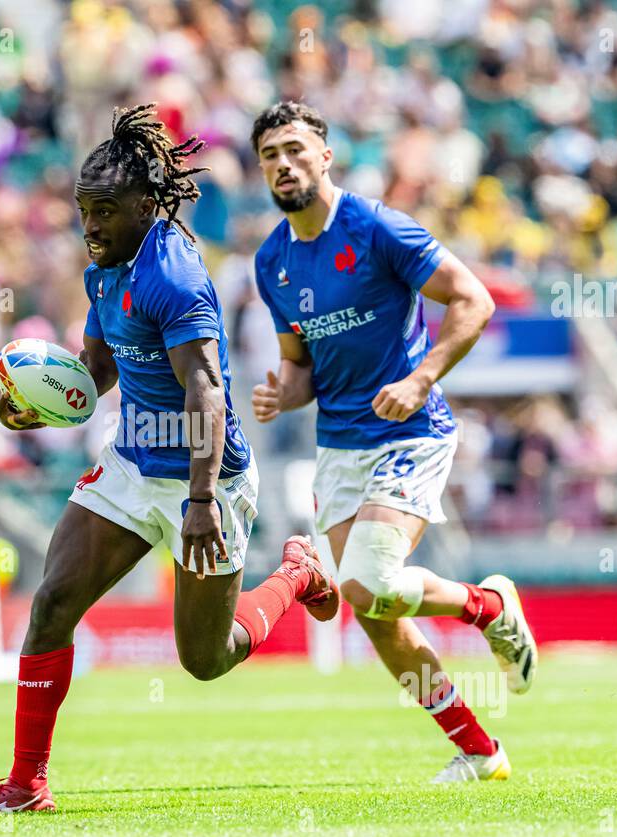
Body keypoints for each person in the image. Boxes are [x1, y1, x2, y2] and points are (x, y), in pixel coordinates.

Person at [0, 104, 338, 814]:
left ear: (143, 206)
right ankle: (25, 784)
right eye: (83, 211)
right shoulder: (105, 269)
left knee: (206, 659)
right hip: (134, 464)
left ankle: (297, 571)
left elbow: (208, 393)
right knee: (51, 606)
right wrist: (35, 405)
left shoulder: (172, 274)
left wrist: (199, 506)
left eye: (104, 211)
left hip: (206, 479)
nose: (90, 226)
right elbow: (97, 371)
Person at [247, 102, 537, 784]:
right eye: (269, 155)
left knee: (366, 581)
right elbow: (301, 367)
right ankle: (479, 750)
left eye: (294, 149)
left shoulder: (377, 227)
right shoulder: (272, 263)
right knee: (374, 611)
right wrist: (281, 393)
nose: (283, 164)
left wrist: (422, 376)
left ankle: (486, 607)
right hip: (340, 446)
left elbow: (473, 301)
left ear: (325, 155)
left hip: (410, 429)